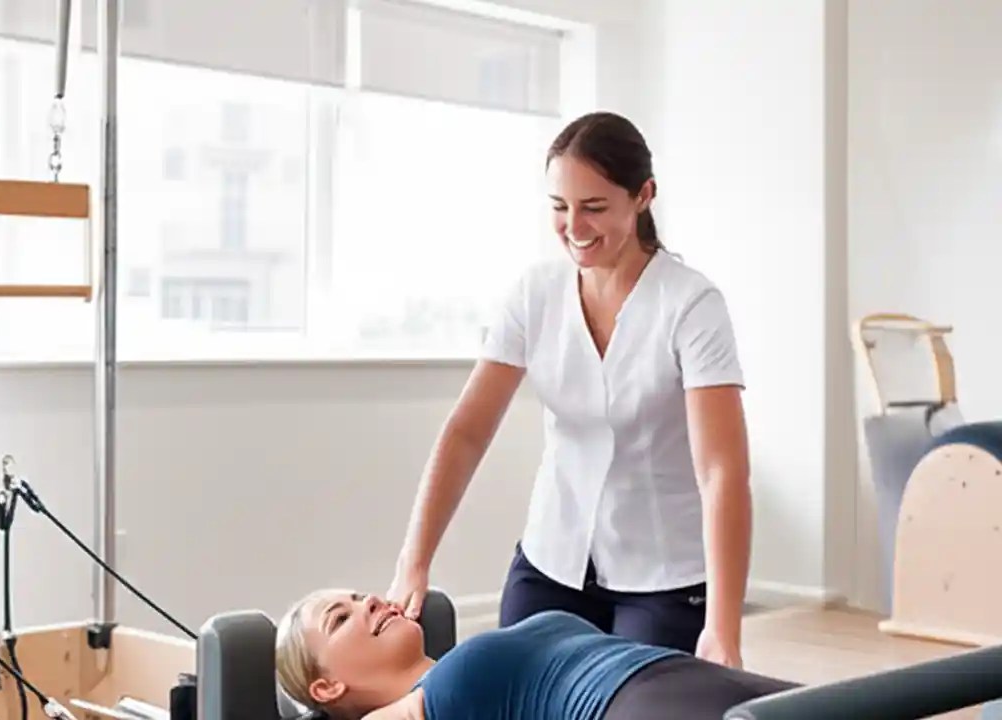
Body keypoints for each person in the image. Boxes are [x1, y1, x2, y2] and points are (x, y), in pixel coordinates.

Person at [386, 110, 753, 668]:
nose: (575, 226)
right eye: (560, 207)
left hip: (663, 578)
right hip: (552, 559)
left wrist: (723, 630)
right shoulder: (535, 294)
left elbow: (721, 472)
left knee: (628, 702)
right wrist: (413, 561)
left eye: (595, 207)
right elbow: (466, 432)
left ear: (643, 196)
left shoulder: (692, 306)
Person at [275, 589, 796, 720]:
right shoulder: (414, 706)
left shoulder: (446, 675)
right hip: (625, 705)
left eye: (358, 595)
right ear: (326, 688)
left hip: (684, 675)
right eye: (339, 619)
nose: (366, 601)